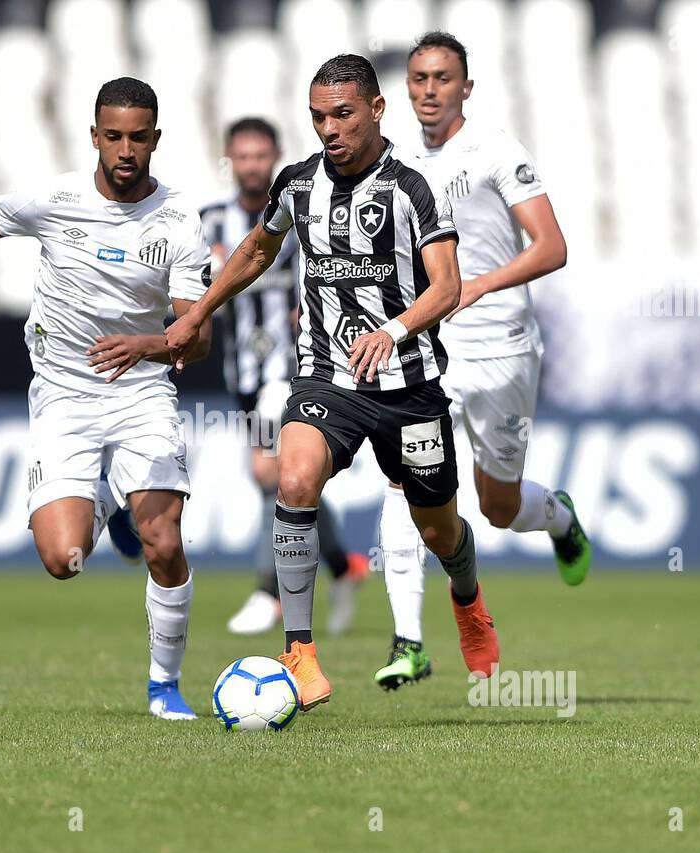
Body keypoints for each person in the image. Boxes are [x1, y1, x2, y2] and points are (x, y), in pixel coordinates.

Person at [165, 54, 500, 711]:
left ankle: (469, 603)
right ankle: (301, 653)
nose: (329, 128)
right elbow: (259, 249)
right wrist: (202, 310)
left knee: (439, 530)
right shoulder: (296, 185)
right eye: (318, 116)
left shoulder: (414, 187)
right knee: (291, 480)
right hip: (327, 375)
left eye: (342, 114)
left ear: (376, 110)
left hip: (409, 384)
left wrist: (395, 330)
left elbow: (448, 286)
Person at [0, 78, 211, 720]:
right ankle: (109, 506)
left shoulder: (179, 220)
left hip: (140, 390)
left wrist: (147, 346)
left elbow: (195, 341)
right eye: (113, 136)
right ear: (95, 136)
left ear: (156, 139)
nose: (126, 149)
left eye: (139, 137)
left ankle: (164, 686)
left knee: (166, 544)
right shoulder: (56, 199)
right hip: (65, 395)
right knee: (63, 560)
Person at [373, 32, 589, 692]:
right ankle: (408, 641)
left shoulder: (495, 149)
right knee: (405, 484)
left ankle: (557, 517)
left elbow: (551, 247)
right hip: (425, 347)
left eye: (442, 78)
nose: (429, 89)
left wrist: (479, 284)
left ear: (466, 87)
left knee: (496, 505)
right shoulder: (392, 157)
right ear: (404, 89)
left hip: (501, 347)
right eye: (418, 79)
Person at [199, 117, 368, 637]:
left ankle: (267, 593)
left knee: (266, 474)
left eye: (259, 156)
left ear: (274, 158)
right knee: (290, 478)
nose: (251, 166)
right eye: (242, 157)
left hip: (295, 369)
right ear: (230, 159)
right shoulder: (211, 222)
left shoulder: (298, 212)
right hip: (244, 373)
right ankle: (343, 564)